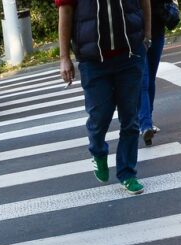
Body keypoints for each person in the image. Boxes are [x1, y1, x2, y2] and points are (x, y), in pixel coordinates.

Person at [57, 0, 152, 195]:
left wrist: (148, 35)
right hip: (93, 62)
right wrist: (64, 57)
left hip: (130, 55)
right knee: (99, 115)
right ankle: (98, 150)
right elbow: (65, 11)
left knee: (130, 119)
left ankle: (127, 173)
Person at [140, 0, 168, 145]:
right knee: (143, 81)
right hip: (137, 35)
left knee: (150, 79)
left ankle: (148, 119)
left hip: (157, 31)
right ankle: (145, 125)